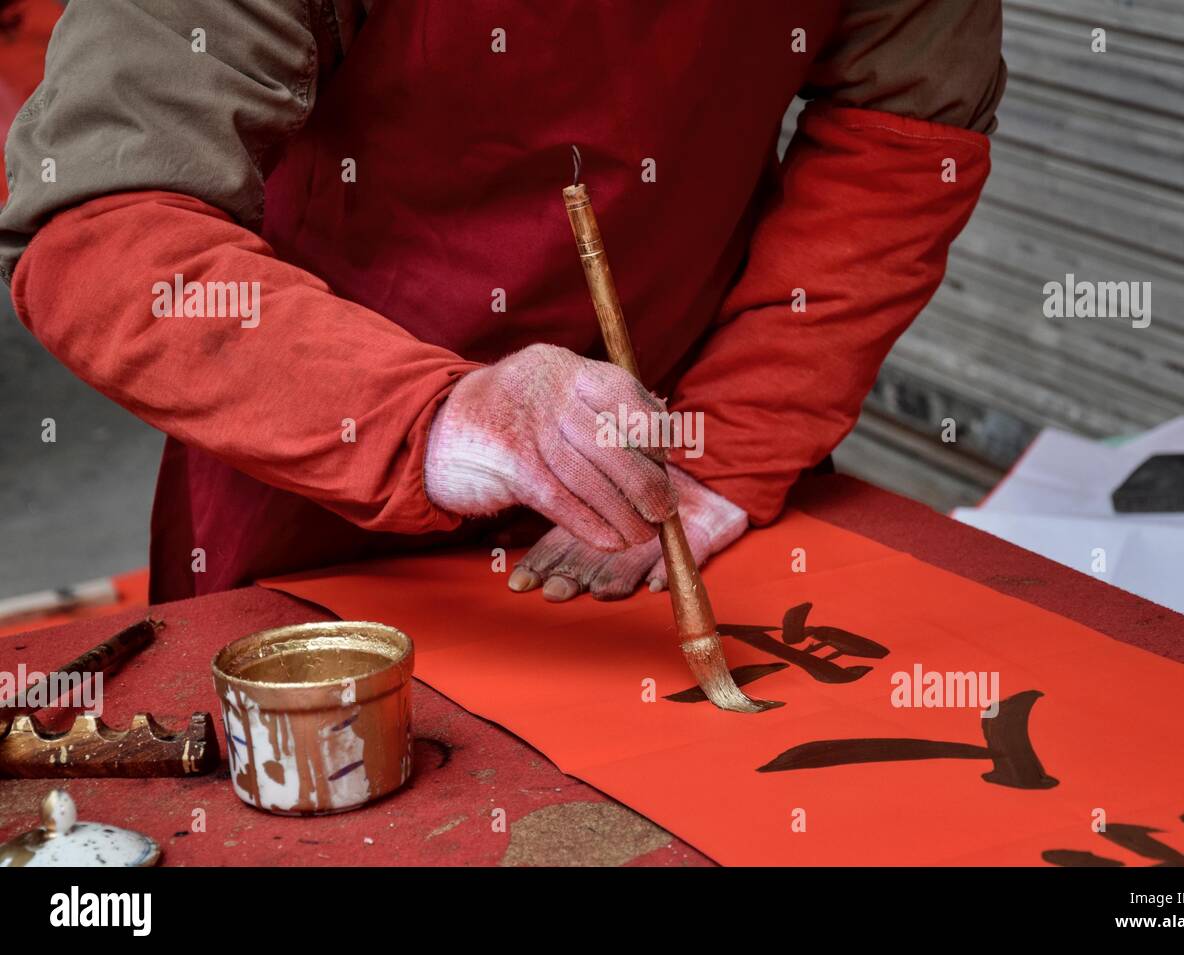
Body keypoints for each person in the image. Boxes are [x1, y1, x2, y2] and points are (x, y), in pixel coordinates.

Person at [0, 0, 1005, 604]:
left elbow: (901, 137)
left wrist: (738, 436)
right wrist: (430, 421)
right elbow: (102, 222)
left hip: (682, 462)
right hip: (311, 447)